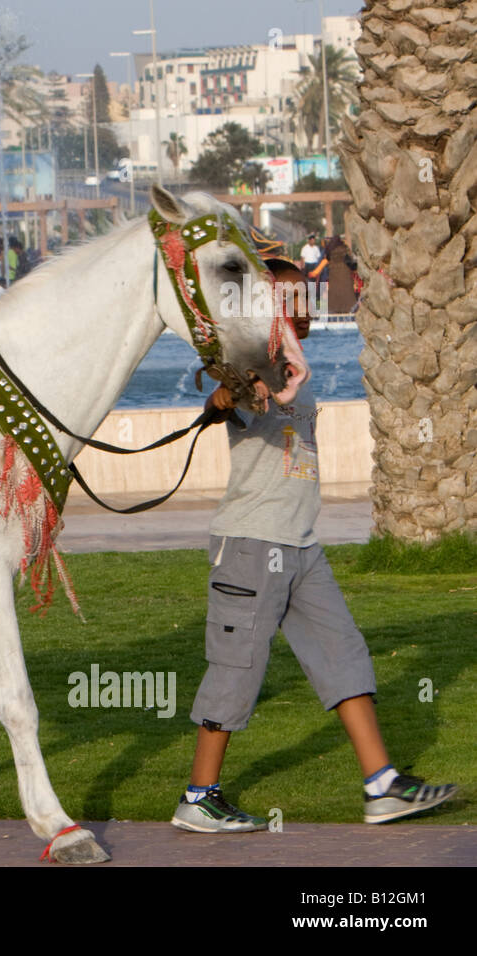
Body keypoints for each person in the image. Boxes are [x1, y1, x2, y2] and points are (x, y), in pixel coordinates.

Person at [171, 257, 458, 833]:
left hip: (301, 545)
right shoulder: (253, 369)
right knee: (236, 670)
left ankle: (382, 785)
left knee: (344, 654)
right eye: (292, 297)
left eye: (307, 296)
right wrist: (234, 396)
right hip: (251, 545)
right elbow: (226, 403)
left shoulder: (296, 369)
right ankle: (199, 797)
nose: (304, 306)